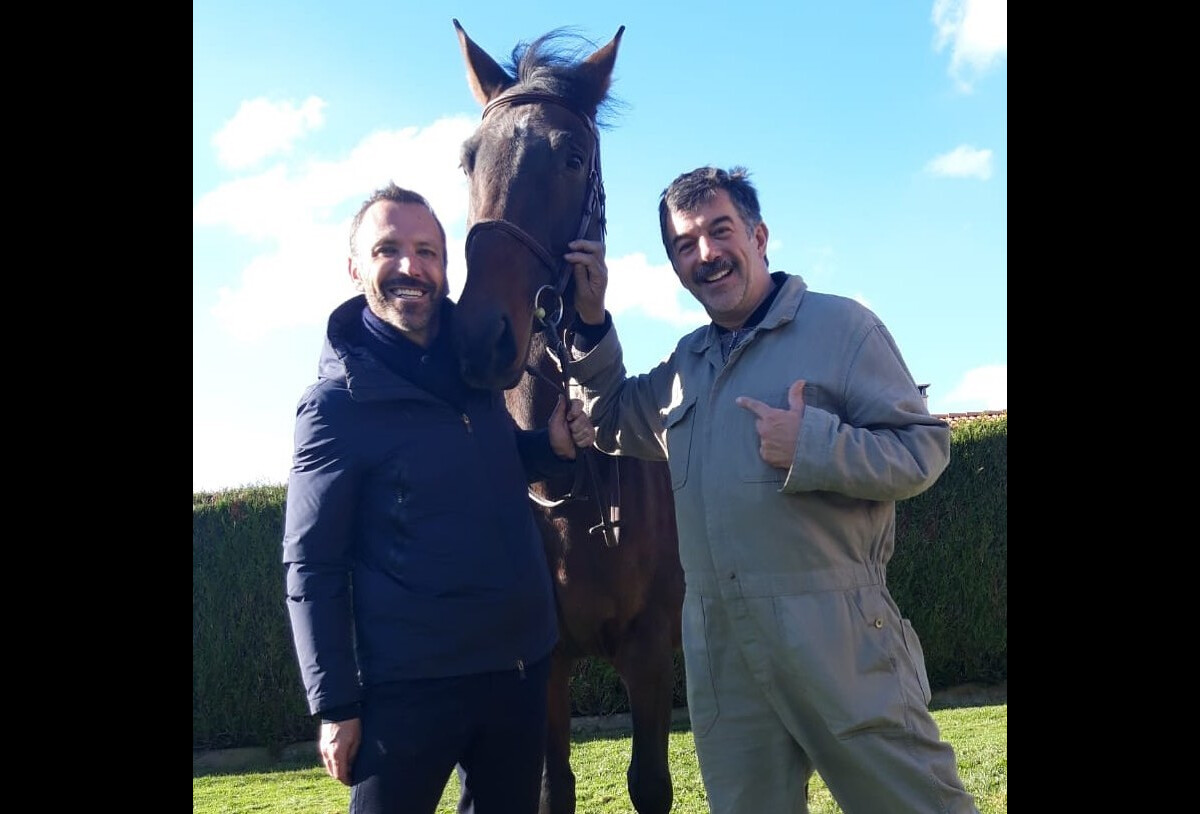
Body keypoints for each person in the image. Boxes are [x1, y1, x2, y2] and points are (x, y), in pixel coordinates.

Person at [559, 166, 979, 813]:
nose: (705, 253)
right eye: (683, 244)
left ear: (758, 235)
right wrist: (590, 321)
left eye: (719, 230)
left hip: (837, 637)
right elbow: (612, 417)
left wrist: (813, 444)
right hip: (723, 654)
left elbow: (923, 449)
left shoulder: (842, 330)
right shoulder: (685, 366)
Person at [282, 182, 596, 814]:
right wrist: (336, 705)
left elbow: (490, 461)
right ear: (354, 268)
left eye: (427, 251)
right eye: (388, 249)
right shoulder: (336, 405)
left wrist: (548, 445)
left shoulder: (477, 366)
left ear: (446, 267)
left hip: (518, 669)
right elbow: (311, 565)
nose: (411, 267)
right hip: (409, 690)